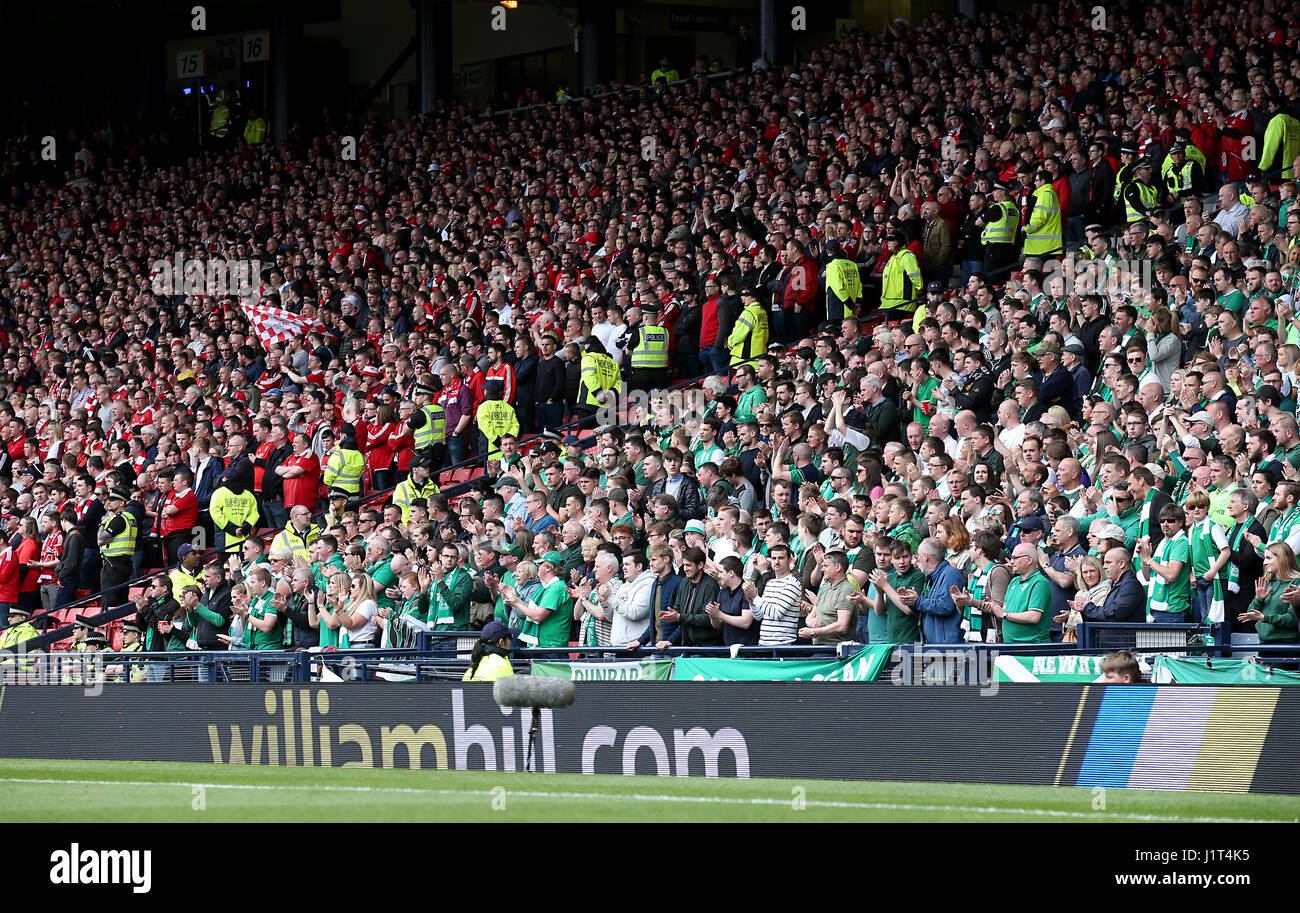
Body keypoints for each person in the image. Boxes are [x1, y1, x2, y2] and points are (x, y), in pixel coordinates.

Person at [1239, 542, 1300, 644]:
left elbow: (1292, 620)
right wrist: (1259, 599)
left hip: (1287, 646)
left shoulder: (1296, 583)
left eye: (1268, 558)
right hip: (1263, 644)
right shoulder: (1267, 582)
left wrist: (1265, 618)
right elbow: (1250, 614)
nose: (1264, 563)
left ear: (1281, 558)